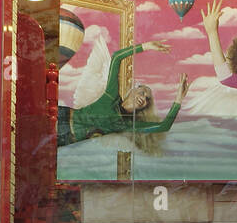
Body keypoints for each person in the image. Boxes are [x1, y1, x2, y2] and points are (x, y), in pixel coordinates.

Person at [56, 15, 190, 149]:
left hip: (65, 138)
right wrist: (145, 46)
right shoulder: (111, 96)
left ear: (144, 107)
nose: (143, 98)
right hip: (60, 116)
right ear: (133, 90)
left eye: (147, 99)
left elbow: (163, 126)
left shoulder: (127, 125)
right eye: (142, 92)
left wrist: (178, 100)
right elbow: (116, 57)